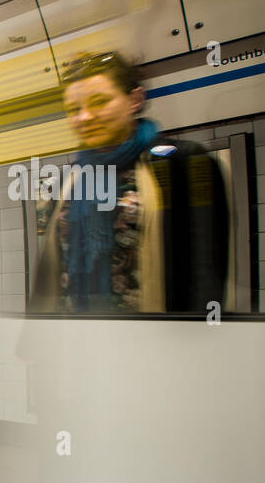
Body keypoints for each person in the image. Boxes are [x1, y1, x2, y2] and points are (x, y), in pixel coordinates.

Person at [30, 51, 229, 313]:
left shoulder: (181, 162)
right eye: (74, 109)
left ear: (135, 99)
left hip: (153, 341)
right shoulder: (73, 180)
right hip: (79, 341)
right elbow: (53, 272)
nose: (84, 117)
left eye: (99, 101)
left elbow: (205, 272)